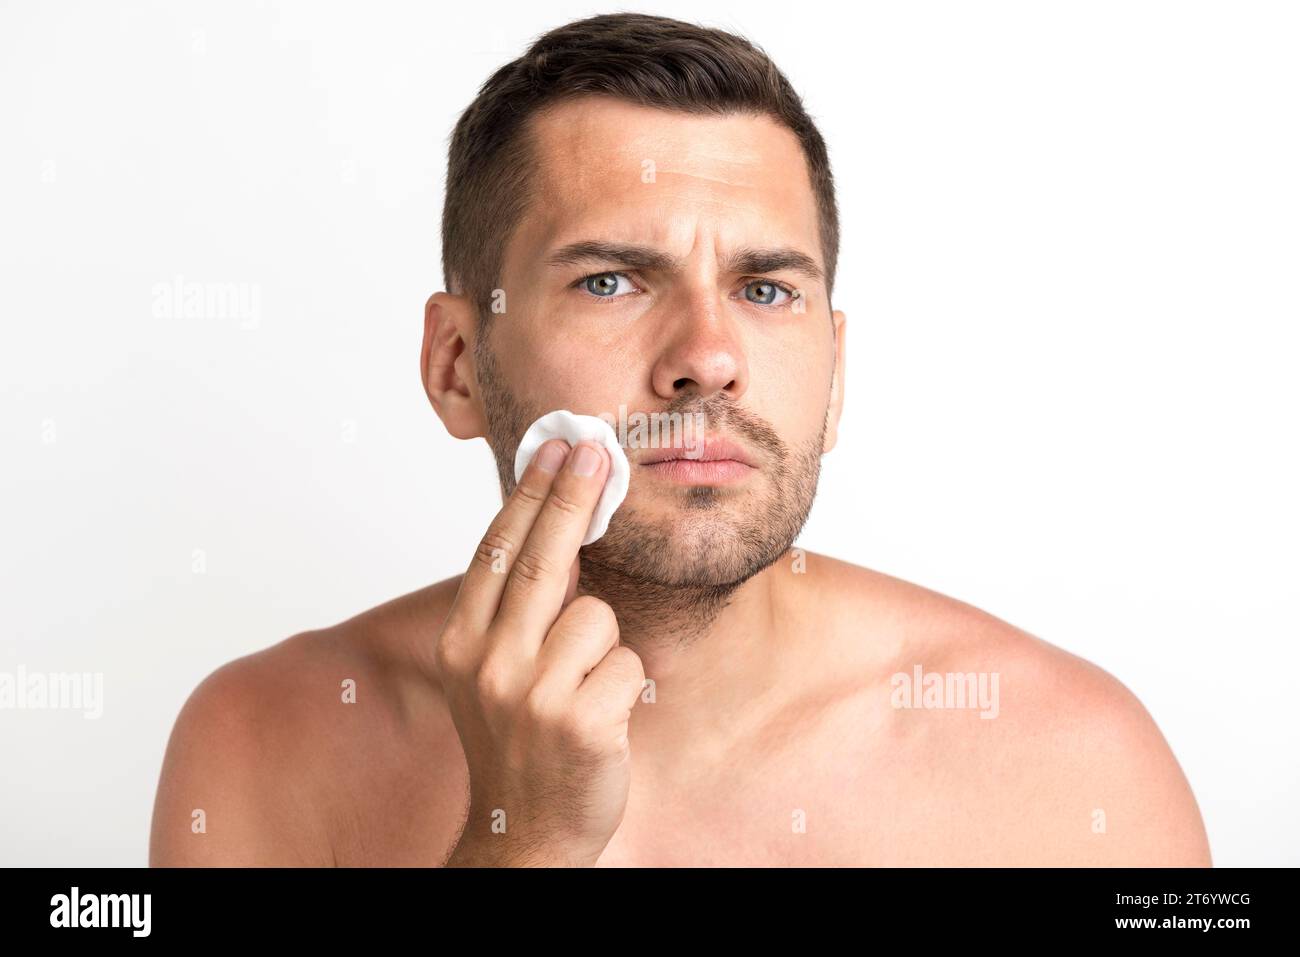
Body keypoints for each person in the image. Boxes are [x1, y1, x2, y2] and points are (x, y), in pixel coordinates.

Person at [150, 12, 1212, 867]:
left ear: (834, 376)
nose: (707, 356)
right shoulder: (264, 741)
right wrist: (527, 843)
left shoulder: (1071, 769)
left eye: (764, 288)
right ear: (459, 365)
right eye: (609, 280)